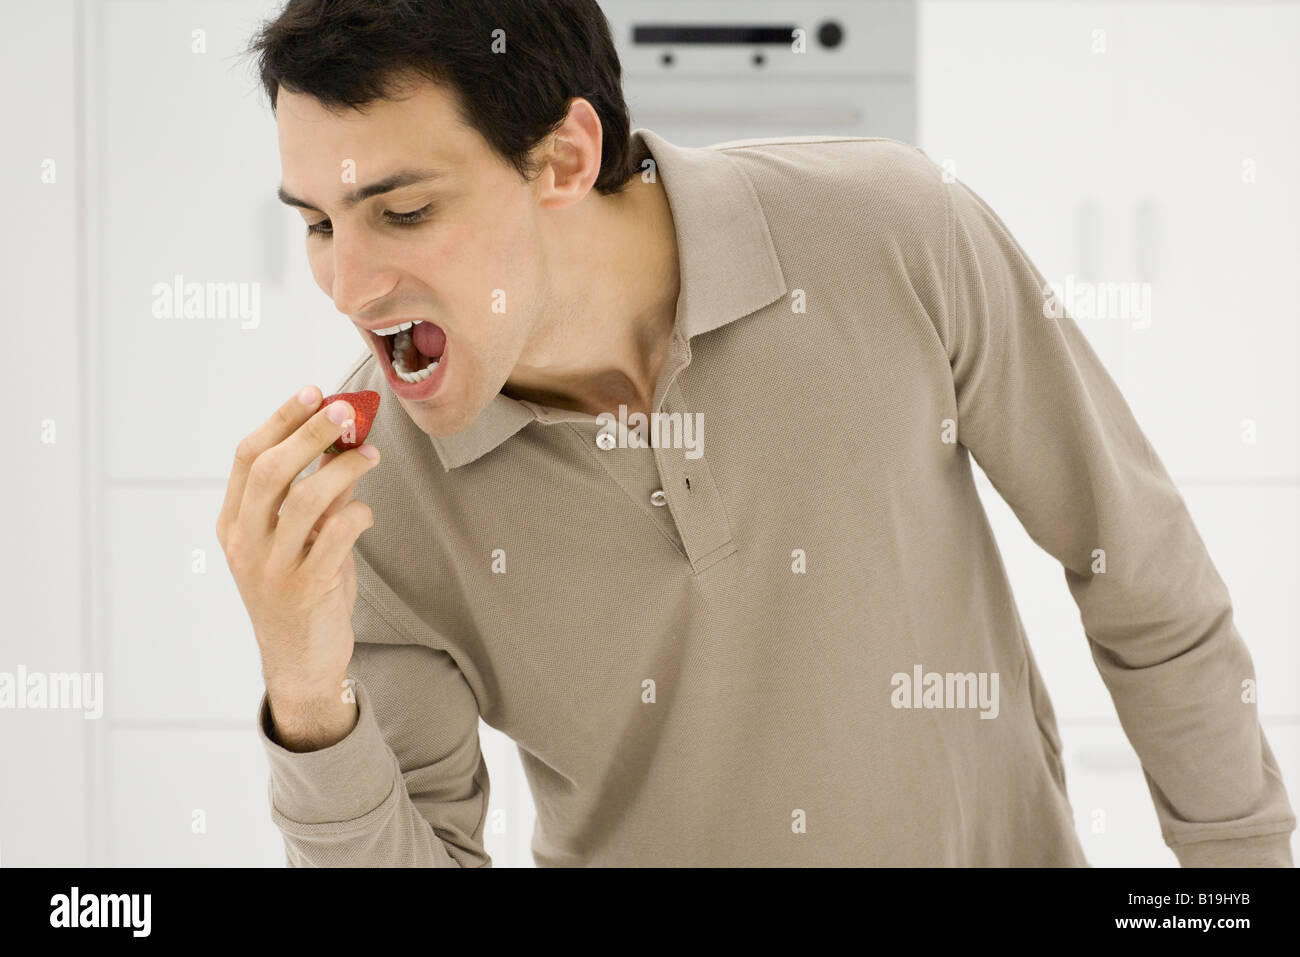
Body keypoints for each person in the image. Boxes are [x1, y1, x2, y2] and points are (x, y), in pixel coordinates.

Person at [215, 0, 1295, 866]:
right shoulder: (371, 506)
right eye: (315, 223)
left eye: (403, 214)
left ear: (562, 158)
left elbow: (1136, 571)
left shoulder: (894, 229)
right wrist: (307, 695)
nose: (346, 284)